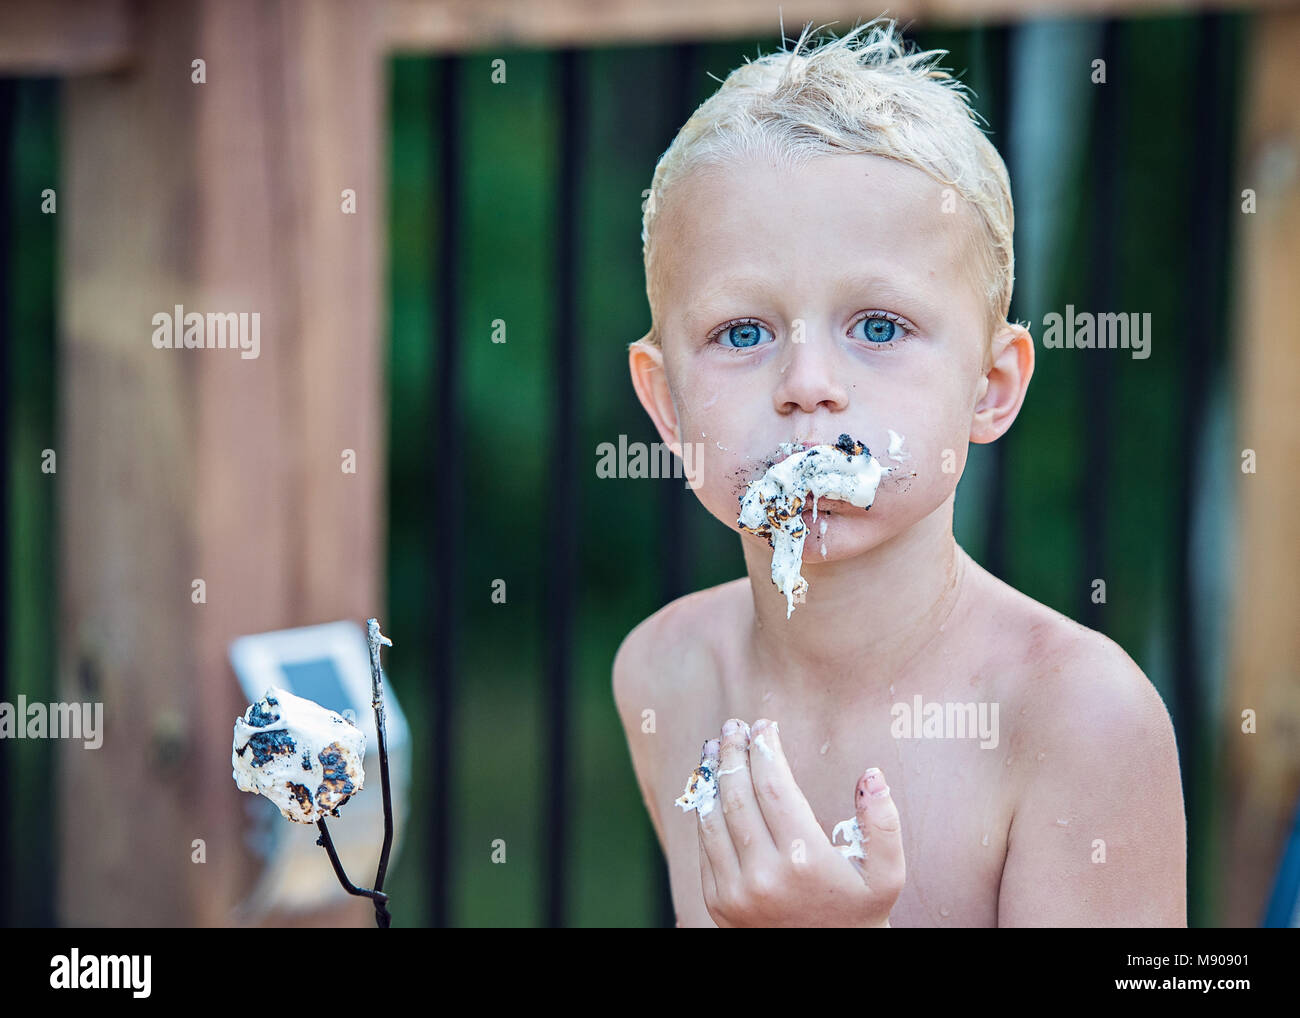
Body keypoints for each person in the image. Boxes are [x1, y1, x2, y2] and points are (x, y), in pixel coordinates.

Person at [612, 17, 1185, 927]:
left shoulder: (1079, 720)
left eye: (878, 327)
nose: (808, 386)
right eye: (743, 333)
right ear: (668, 406)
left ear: (992, 388)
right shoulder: (666, 674)